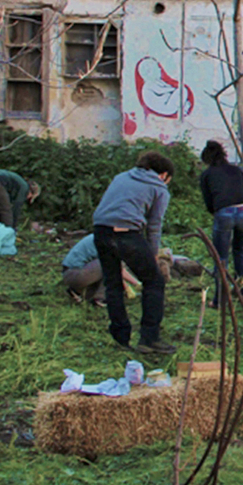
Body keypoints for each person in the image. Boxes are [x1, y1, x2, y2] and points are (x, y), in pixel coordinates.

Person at [93, 150, 175, 354]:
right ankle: (149, 338)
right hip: (127, 234)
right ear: (164, 175)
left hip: (101, 231)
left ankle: (121, 337)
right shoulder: (159, 188)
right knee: (154, 282)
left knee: (112, 283)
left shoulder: (121, 177)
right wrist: (153, 254)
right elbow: (154, 225)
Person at [199, 140, 243, 309]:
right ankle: (242, 290)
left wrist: (217, 212)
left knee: (221, 258)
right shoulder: (236, 170)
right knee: (239, 250)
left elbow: (209, 201)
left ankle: (219, 299)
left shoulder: (207, 174)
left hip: (224, 212)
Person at [61, 234, 140, 306]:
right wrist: (136, 285)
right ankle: (100, 299)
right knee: (110, 262)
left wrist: (127, 287)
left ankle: (79, 292)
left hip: (76, 273)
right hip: (74, 273)